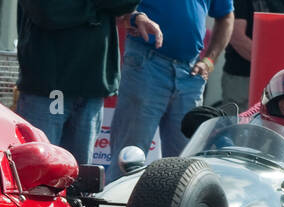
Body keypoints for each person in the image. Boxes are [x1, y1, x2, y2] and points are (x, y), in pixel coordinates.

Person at [109, 1, 235, 179]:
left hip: (191, 71)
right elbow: (119, 9)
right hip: (147, 60)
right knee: (129, 157)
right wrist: (134, 17)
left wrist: (209, 60)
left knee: (184, 164)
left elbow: (226, 16)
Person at [16, 1, 139, 164]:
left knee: (79, 180)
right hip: (48, 88)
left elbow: (125, 3)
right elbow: (48, 11)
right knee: (38, 176)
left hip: (92, 86)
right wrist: (100, 7)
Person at [220, 0, 284, 112]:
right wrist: (272, 64)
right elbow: (237, 38)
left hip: (281, 80)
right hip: (243, 79)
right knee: (238, 125)